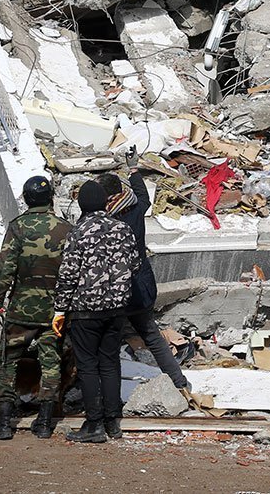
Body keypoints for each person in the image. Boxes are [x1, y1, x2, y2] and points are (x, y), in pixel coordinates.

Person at [0, 176, 72, 441]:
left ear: (25, 199)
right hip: (53, 311)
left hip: (21, 310)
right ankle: (45, 421)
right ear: (51, 198)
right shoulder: (65, 229)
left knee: (7, 360)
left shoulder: (18, 227)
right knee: (51, 362)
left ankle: (3, 422)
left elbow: (5, 267)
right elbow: (71, 272)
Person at [53, 181, 139, 443]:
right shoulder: (123, 228)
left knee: (88, 366)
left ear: (82, 205)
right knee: (110, 362)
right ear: (105, 202)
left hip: (85, 310)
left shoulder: (79, 232)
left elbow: (67, 275)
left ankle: (93, 424)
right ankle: (113, 422)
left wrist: (59, 309)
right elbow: (135, 265)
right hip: (116, 309)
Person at [97, 165, 189, 391]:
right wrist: (134, 172)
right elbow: (143, 197)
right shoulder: (134, 208)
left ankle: (107, 392)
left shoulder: (108, 222)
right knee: (152, 336)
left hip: (118, 291)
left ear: (108, 197)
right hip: (142, 286)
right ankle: (180, 382)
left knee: (108, 342)